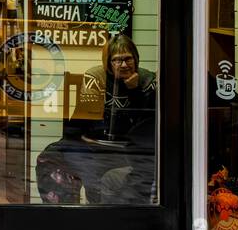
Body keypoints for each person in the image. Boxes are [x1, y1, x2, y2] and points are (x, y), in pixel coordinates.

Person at [35, 34, 157, 204]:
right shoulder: (96, 78)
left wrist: (134, 91)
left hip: (127, 150)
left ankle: (98, 213)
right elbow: (79, 121)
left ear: (136, 59)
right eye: (117, 60)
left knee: (95, 171)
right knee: (50, 156)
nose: (123, 65)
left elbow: (145, 127)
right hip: (92, 143)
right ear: (108, 62)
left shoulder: (149, 81)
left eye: (128, 59)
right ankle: (65, 212)